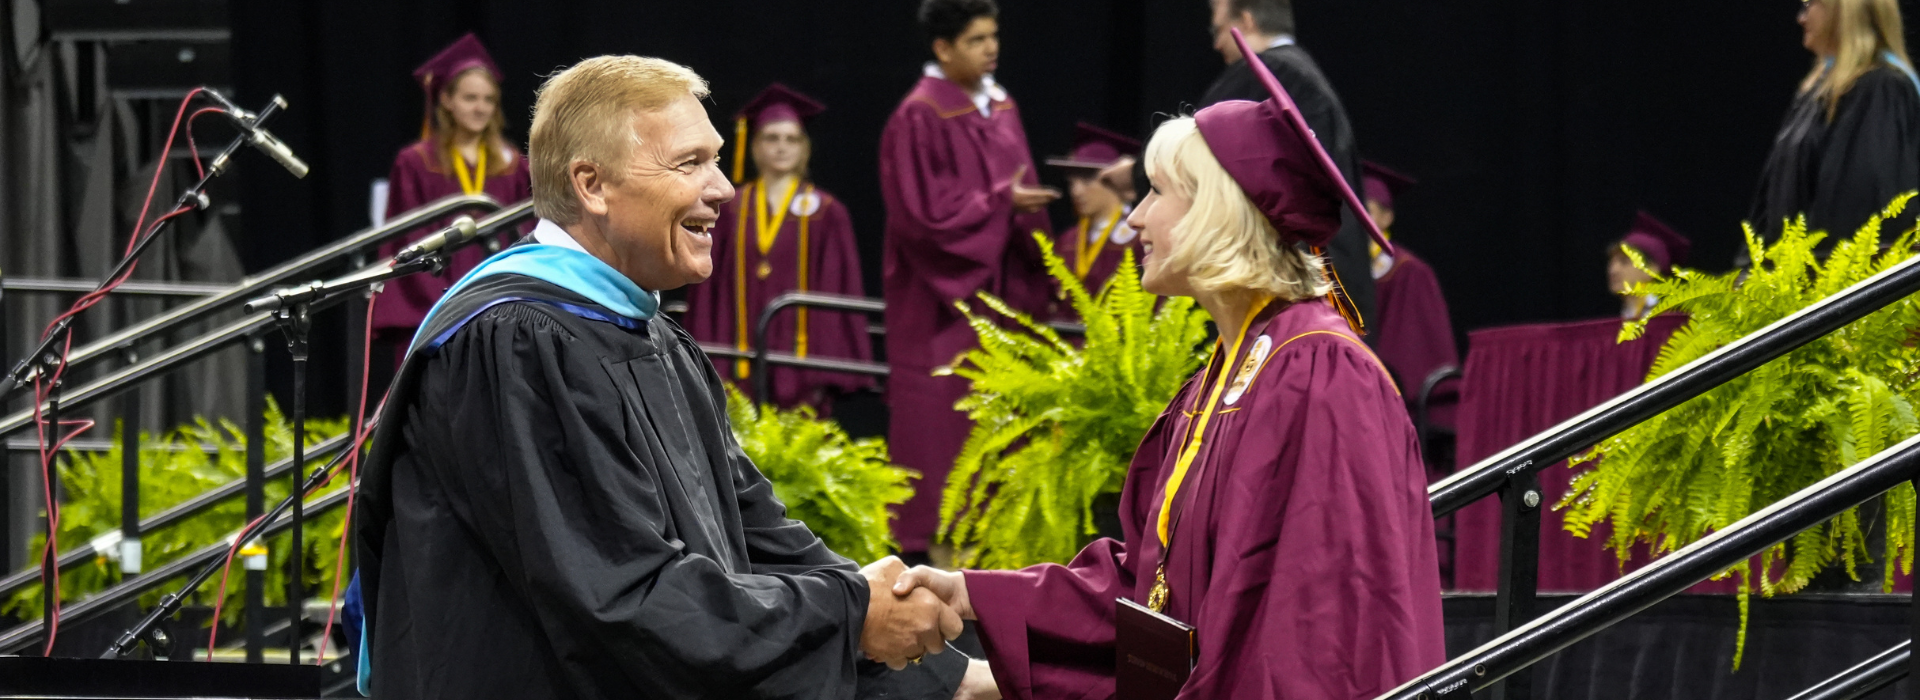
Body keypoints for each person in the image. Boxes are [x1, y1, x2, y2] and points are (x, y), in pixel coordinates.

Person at [353, 55, 968, 699]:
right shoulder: (517, 341)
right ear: (592, 185)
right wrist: (851, 613)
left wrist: (944, 673)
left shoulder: (650, 334)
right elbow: (622, 596)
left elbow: (754, 535)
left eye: (716, 160)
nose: (723, 188)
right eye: (689, 163)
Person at [894, 29, 1446, 700]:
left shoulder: (1322, 376)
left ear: (1220, 212)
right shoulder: (1227, 374)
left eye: (1156, 192)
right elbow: (1152, 589)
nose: (1135, 219)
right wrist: (971, 593)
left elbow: (1314, 643)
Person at [880, 0, 1058, 557]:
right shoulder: (918, 116)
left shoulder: (1000, 106)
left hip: (1005, 298)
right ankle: (944, 573)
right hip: (944, 309)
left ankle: (1001, 578)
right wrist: (1002, 203)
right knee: (946, 444)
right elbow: (924, 220)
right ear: (943, 48)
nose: (991, 48)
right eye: (977, 39)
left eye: (993, 36)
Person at [685, 83, 874, 411]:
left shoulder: (826, 213)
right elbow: (709, 291)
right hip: (737, 354)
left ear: (804, 148)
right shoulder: (731, 209)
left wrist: (824, 368)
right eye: (771, 138)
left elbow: (838, 291)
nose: (782, 147)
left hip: (802, 359)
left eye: (792, 139)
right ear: (755, 146)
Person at [376, 33, 533, 342]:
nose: (480, 108)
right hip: (435, 311)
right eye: (470, 98)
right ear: (446, 101)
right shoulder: (417, 162)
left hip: (501, 308)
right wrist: (449, 305)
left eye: (488, 100)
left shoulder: (512, 165)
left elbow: (527, 232)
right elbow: (407, 239)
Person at [1750, 0, 1920, 246]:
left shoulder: (1881, 89)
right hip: (1791, 266)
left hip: (1835, 266)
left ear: (1844, 10)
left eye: (1809, 4)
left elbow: (1863, 217)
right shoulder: (1816, 92)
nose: (1801, 18)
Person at [1361, 161, 1457, 393]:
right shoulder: (1327, 268)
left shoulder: (1409, 272)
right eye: (1349, 211)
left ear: (1387, 218)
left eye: (1366, 211)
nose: (1357, 220)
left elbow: (1414, 356)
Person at [1045, 122, 1142, 315]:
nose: (1076, 191)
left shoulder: (1139, 238)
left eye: (1087, 180)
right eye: (1072, 182)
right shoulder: (1067, 240)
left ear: (1113, 179)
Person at [1610, 210, 1691, 320]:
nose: (1613, 270)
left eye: (1624, 262)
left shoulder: (1676, 320)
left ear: (1652, 269)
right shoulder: (1618, 320)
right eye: (1612, 262)